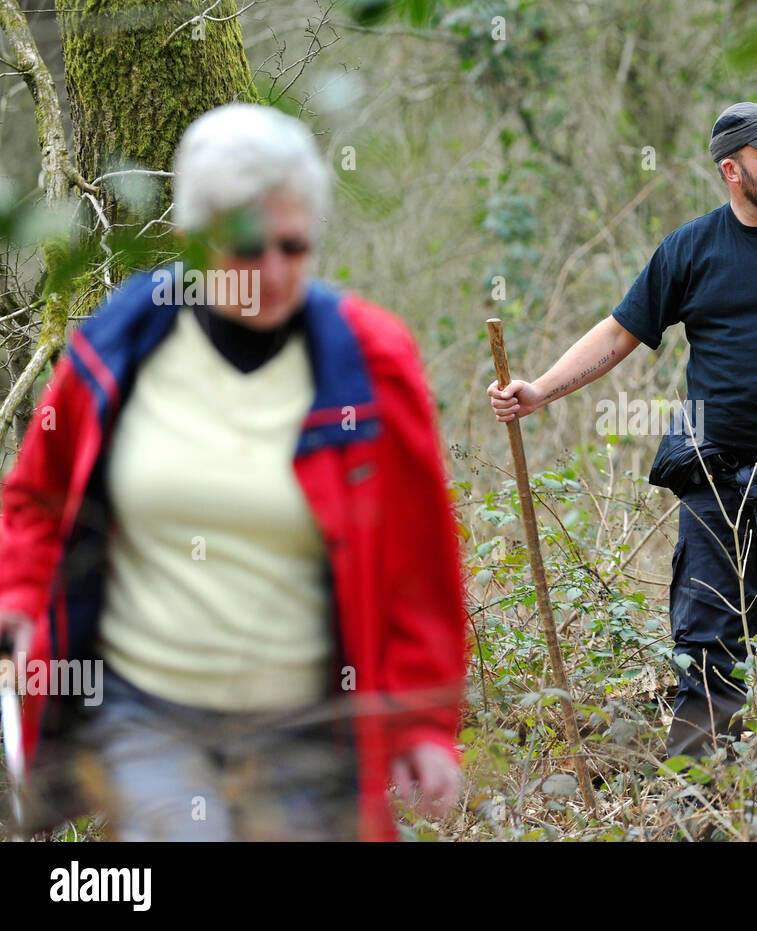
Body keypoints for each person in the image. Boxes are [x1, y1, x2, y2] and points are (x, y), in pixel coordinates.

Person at [0, 103, 467, 841]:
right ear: (192, 237)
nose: (274, 271)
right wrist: (21, 597)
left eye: (294, 244)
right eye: (248, 246)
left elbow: (419, 558)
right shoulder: (124, 342)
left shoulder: (369, 362)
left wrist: (423, 721)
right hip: (145, 709)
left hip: (311, 721)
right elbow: (36, 497)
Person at [488, 102, 757, 767]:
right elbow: (617, 333)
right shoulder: (690, 250)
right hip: (717, 477)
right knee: (706, 646)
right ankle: (701, 806)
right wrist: (540, 389)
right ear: (730, 168)